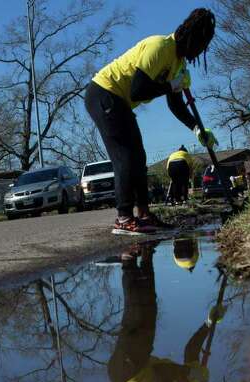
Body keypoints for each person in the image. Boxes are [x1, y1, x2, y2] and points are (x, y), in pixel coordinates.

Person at [85, 8, 219, 236]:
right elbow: (138, 90)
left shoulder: (178, 64)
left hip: (120, 101)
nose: (198, 51)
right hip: (104, 93)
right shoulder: (159, 47)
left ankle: (145, 216)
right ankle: (124, 219)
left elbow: (175, 105)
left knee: (139, 156)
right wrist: (171, 85)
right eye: (199, 45)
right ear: (189, 37)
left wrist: (197, 128)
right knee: (125, 156)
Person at [107, 242, 239, 382]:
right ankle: (146, 255)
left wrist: (186, 372)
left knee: (137, 321)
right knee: (149, 311)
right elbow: (191, 350)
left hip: (126, 374)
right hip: (139, 363)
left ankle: (128, 261)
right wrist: (208, 324)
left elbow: (162, 372)